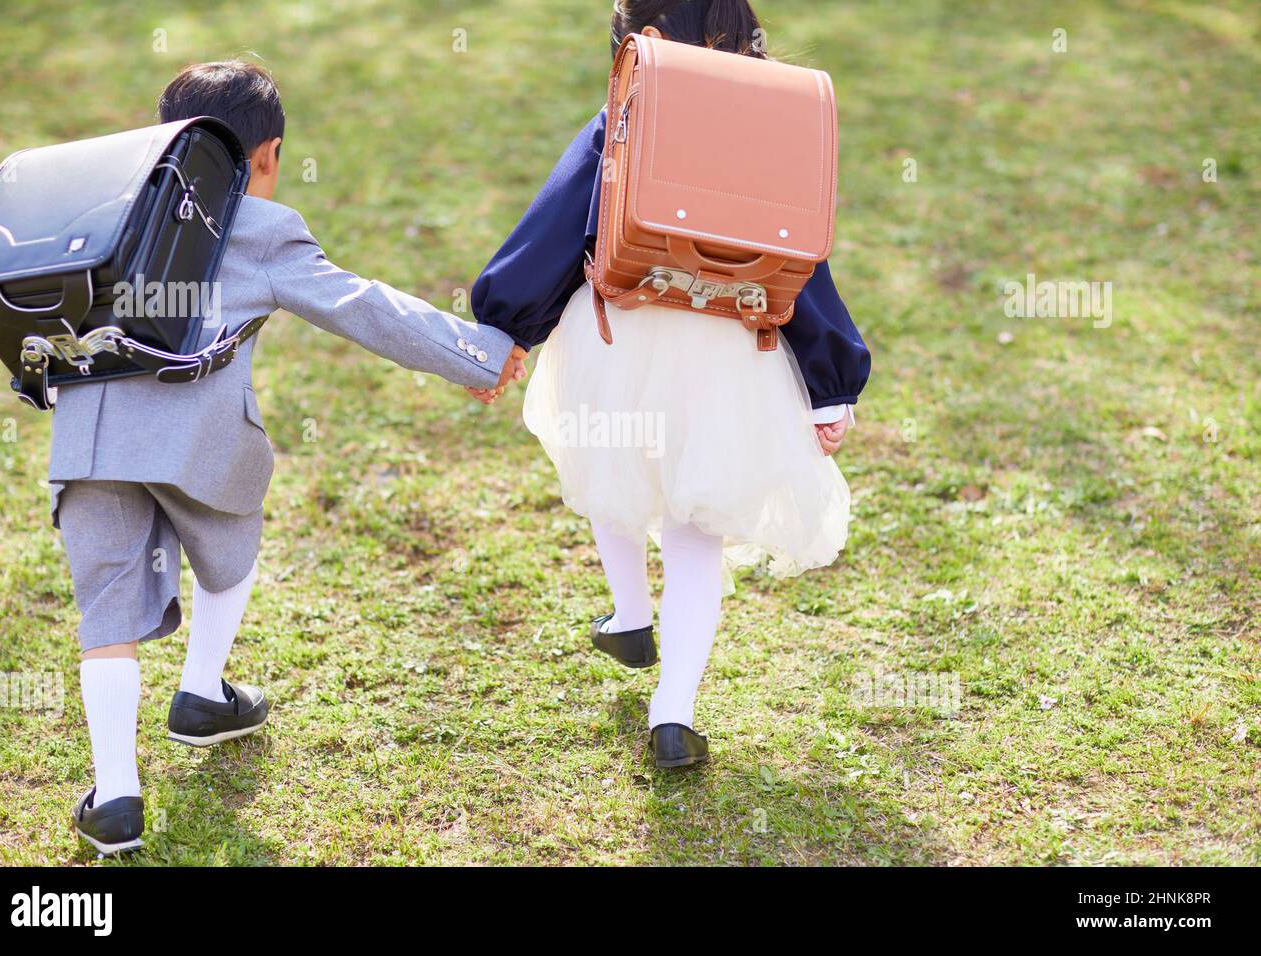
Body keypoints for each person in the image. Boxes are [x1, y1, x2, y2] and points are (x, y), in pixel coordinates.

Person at [59, 60, 526, 855]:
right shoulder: (259, 227)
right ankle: (202, 692)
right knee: (231, 545)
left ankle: (118, 799)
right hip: (197, 448)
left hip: (88, 441)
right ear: (267, 155)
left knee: (105, 607)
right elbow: (363, 307)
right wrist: (476, 356)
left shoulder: (99, 205)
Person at [470, 0, 870, 768]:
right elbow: (802, 262)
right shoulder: (768, 127)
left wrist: (509, 324)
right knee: (695, 535)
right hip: (728, 344)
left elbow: (556, 229)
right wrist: (828, 381)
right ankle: (674, 713)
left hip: (621, 331)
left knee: (607, 466)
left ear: (643, 40)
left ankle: (627, 611)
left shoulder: (624, 117)